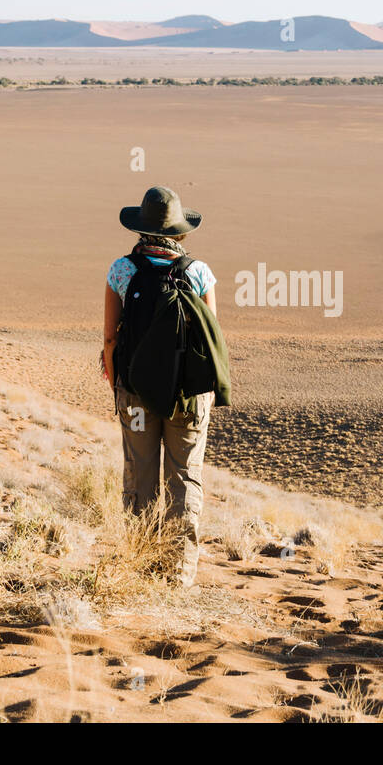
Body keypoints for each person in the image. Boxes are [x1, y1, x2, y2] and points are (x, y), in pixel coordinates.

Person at [102, 186, 228, 587]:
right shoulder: (199, 272)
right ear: (180, 230)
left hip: (135, 393)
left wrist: (118, 386)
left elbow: (110, 340)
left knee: (140, 477)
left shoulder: (121, 271)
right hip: (188, 396)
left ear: (140, 227)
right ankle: (178, 574)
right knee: (184, 477)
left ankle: (139, 566)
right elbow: (210, 339)